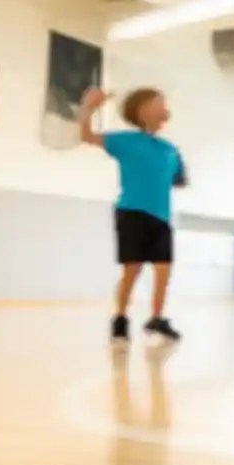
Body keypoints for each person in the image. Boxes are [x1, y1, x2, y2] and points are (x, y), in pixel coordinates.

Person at [76, 86, 186, 346]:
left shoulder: (170, 149)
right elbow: (87, 136)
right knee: (132, 269)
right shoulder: (124, 141)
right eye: (159, 102)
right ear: (142, 109)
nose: (164, 107)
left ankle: (157, 318)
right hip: (132, 212)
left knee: (163, 269)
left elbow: (178, 179)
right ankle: (120, 318)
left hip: (161, 217)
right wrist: (88, 108)